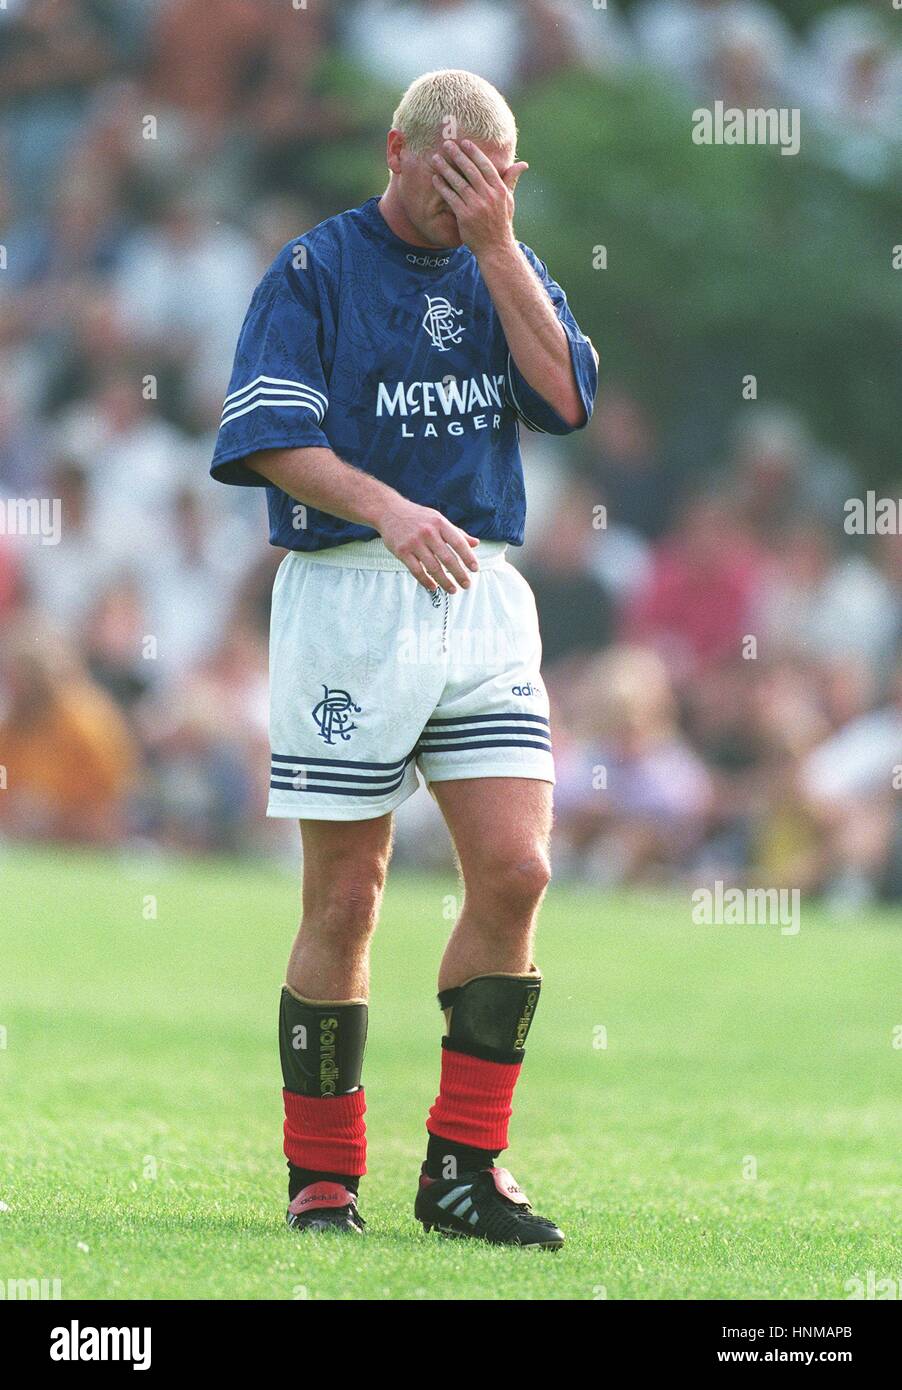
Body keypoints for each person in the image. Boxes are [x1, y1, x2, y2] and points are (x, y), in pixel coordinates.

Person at [209, 69, 598, 1245]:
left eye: (486, 182)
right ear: (395, 150)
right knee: (347, 896)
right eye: (445, 179)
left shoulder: (505, 263)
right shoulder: (312, 270)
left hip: (478, 593)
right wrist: (385, 507)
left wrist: (495, 247)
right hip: (348, 594)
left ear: (509, 178)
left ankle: (464, 1169)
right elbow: (269, 434)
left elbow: (567, 400)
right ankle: (323, 1171)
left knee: (518, 872)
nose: (460, 200)